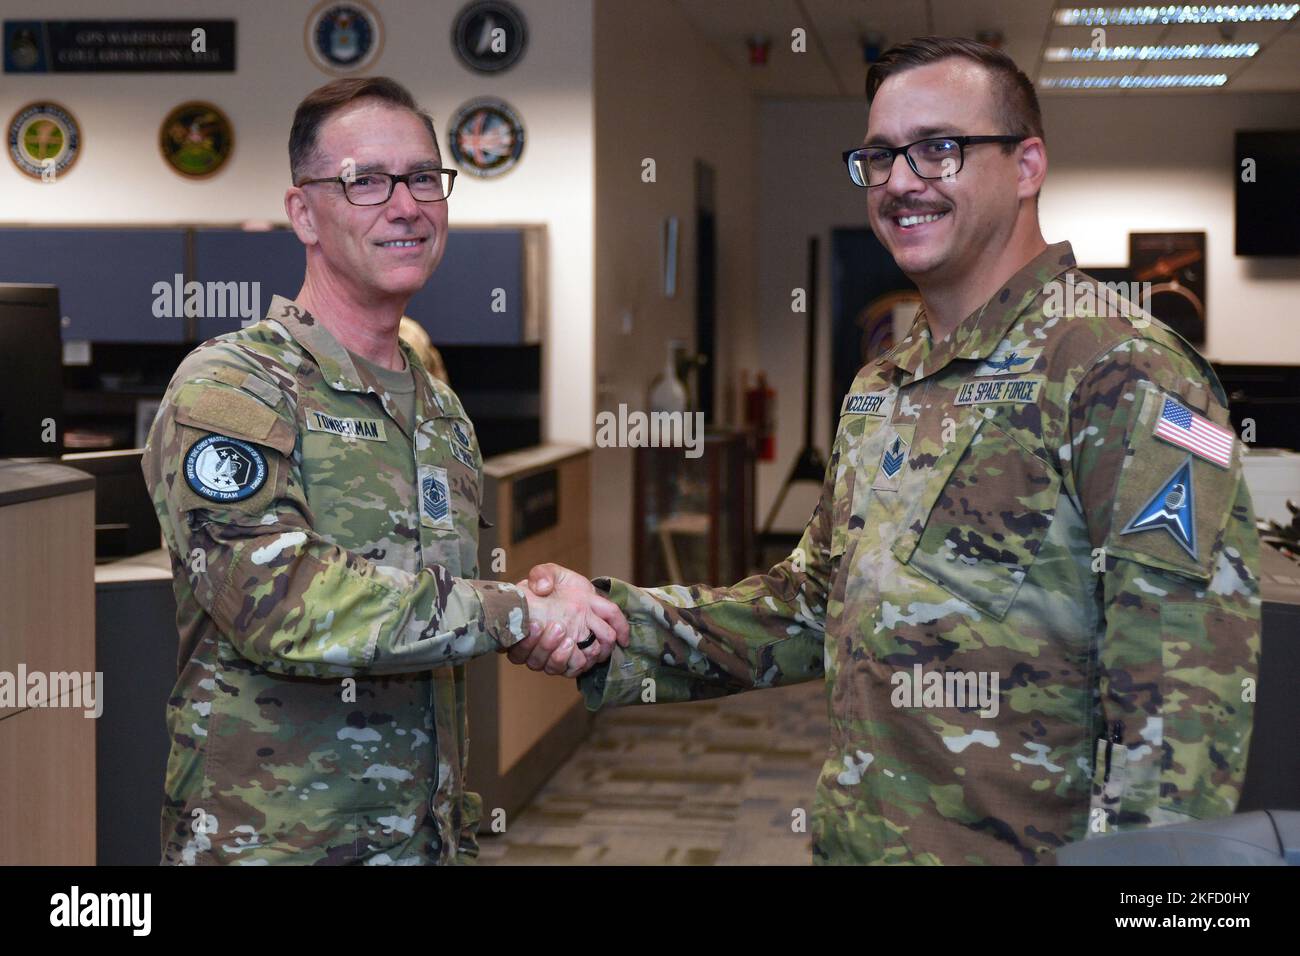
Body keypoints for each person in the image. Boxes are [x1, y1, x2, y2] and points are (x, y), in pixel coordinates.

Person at [518, 36, 1260, 865]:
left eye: (939, 148)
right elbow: (811, 604)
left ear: (1027, 165)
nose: (902, 181)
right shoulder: (884, 384)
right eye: (879, 156)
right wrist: (618, 626)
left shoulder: (1122, 369)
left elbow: (1181, 699)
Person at [142, 77, 625, 865]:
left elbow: (432, 621)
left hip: (422, 841)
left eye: (424, 178)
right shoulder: (232, 385)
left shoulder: (442, 412)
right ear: (303, 211)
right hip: (274, 845)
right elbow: (279, 603)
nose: (406, 205)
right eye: (365, 181)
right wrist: (515, 613)